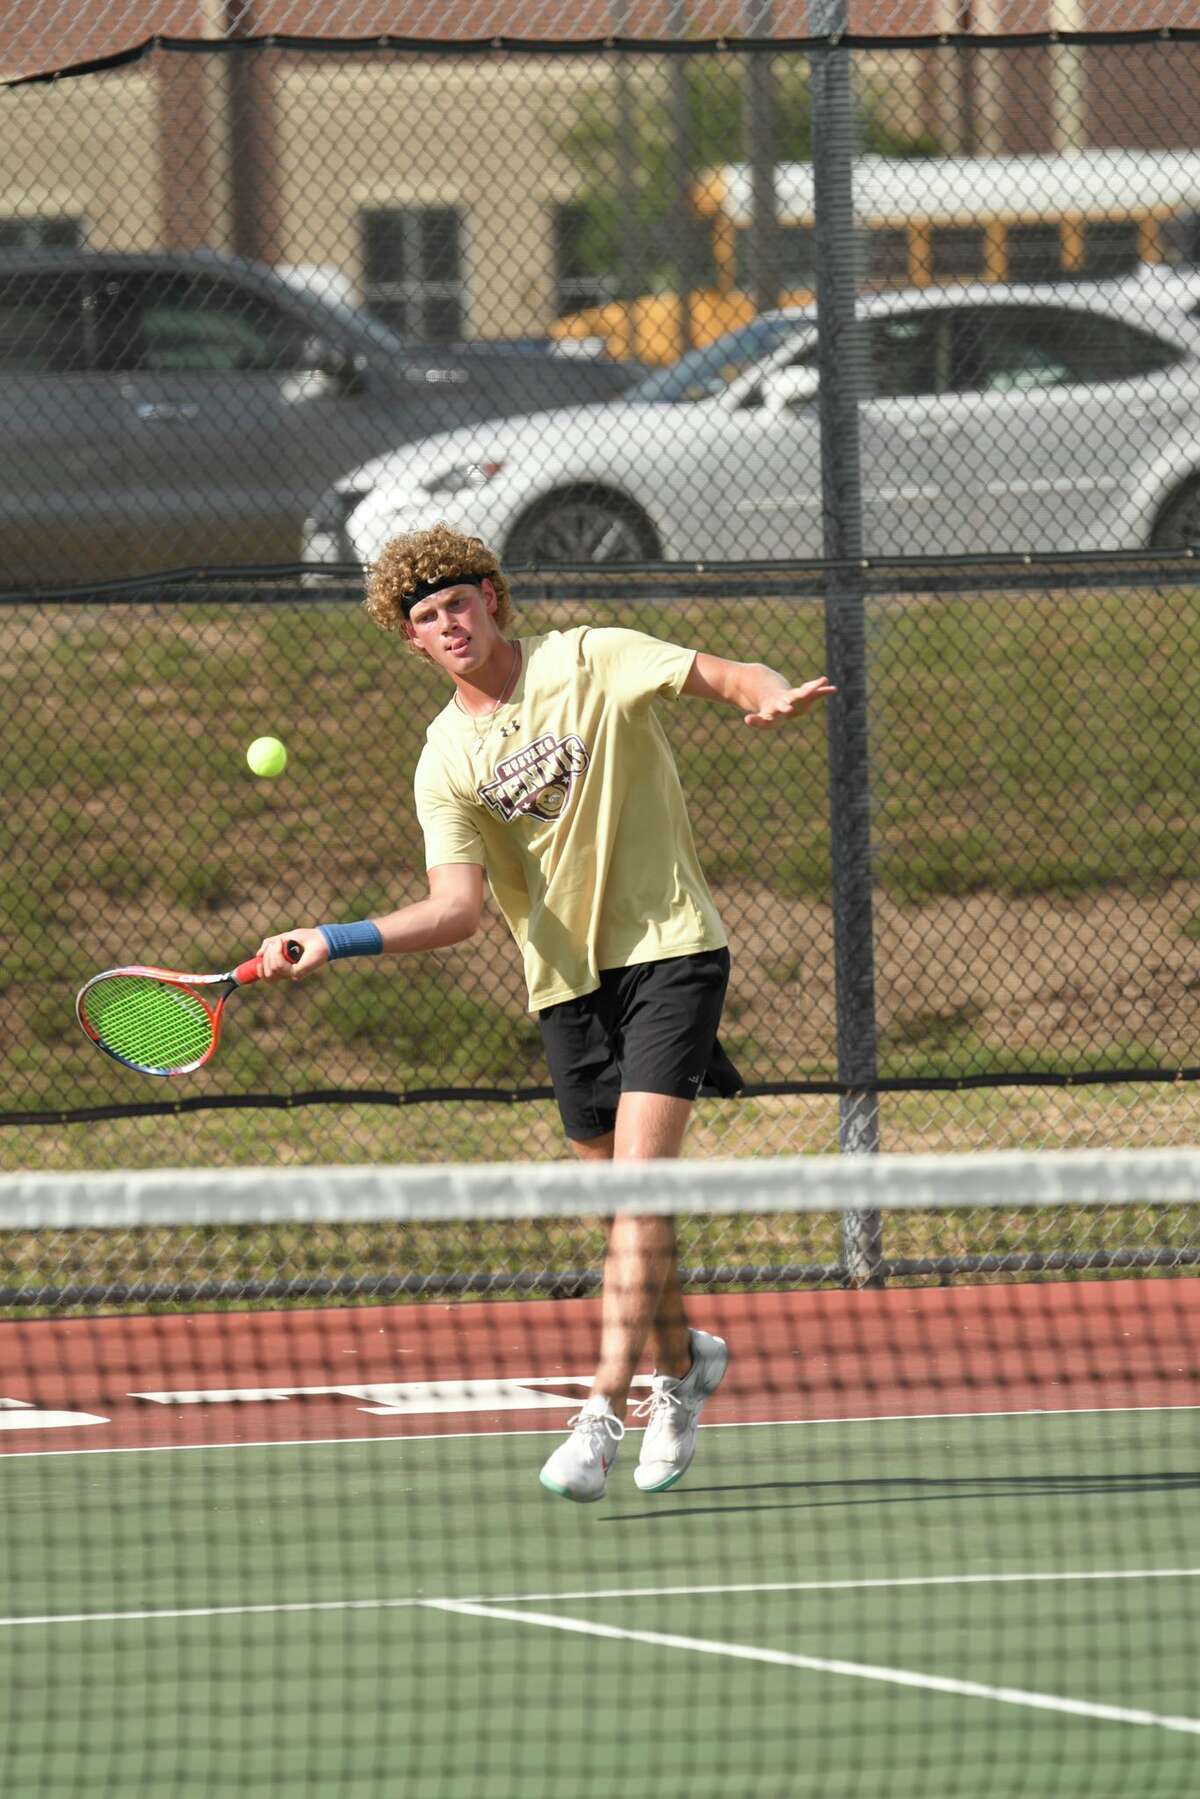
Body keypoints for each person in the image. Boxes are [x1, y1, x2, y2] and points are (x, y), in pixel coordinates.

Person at [258, 523, 835, 1502]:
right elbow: (457, 909)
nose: (447, 625)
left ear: (493, 597)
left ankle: (602, 1411)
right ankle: (684, 1359)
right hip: (566, 987)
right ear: (411, 639)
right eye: (425, 617)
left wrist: (767, 691)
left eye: (457, 604)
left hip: (671, 949)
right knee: (625, 1214)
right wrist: (336, 936)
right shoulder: (444, 756)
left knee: (640, 1197)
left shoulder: (592, 657)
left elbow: (729, 673)